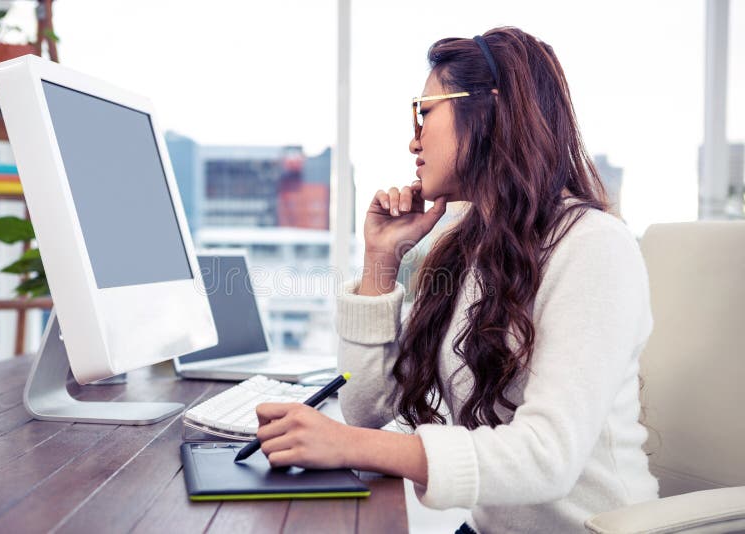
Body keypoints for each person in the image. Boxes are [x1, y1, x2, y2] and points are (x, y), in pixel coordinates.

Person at [254, 26, 658, 533]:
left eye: (425, 112)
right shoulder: (469, 247)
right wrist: (381, 258)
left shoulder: (593, 246)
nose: (413, 138)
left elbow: (548, 455)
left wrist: (352, 447)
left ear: (487, 110)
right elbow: (366, 408)